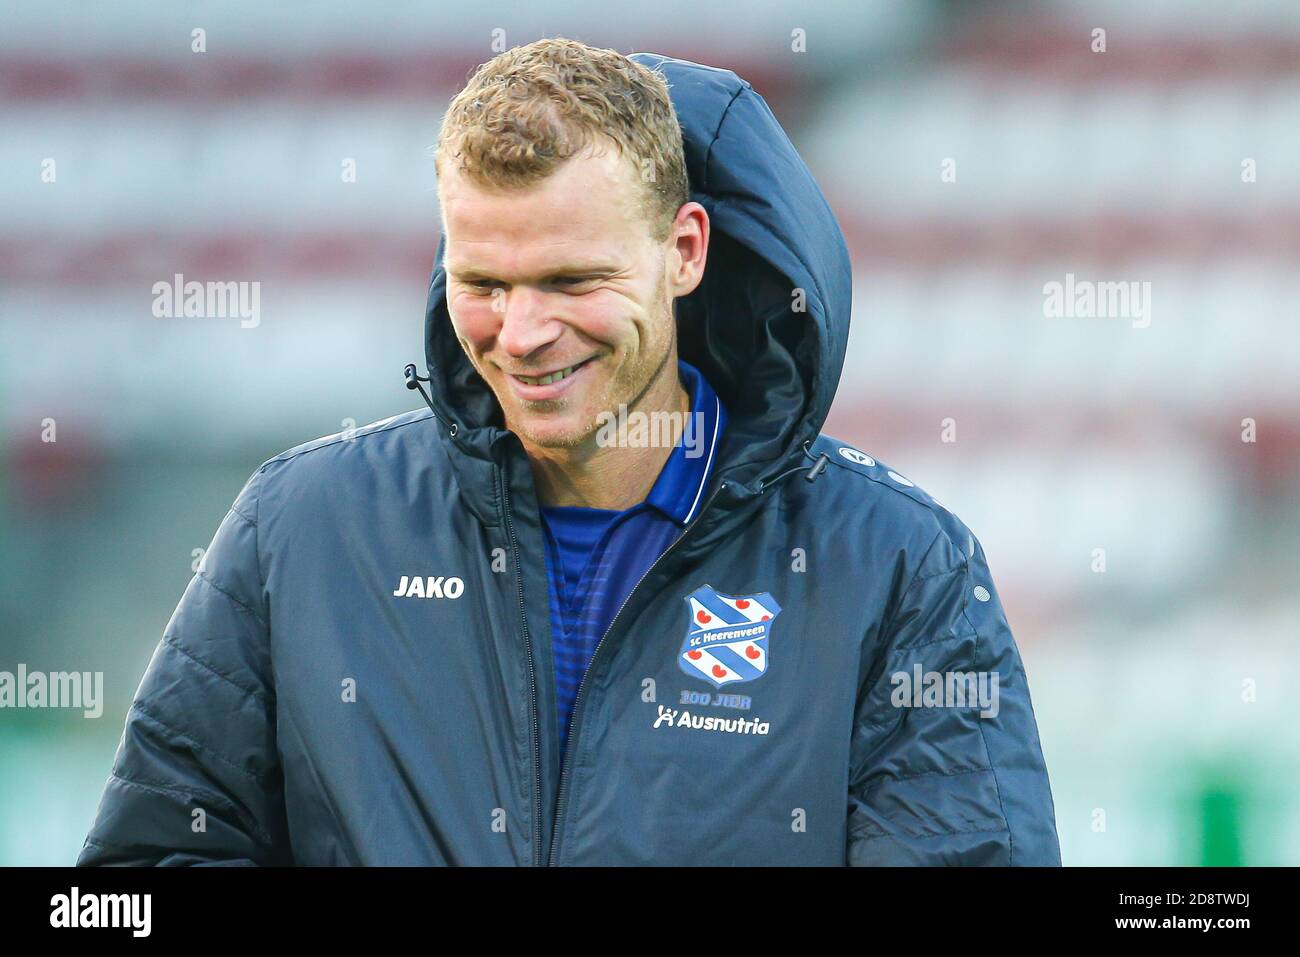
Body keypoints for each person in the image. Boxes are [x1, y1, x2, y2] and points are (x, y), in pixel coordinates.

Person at [78, 38, 1060, 866]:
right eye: (484, 282)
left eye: (569, 278)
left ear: (683, 251)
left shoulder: (896, 568)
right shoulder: (302, 529)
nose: (522, 331)